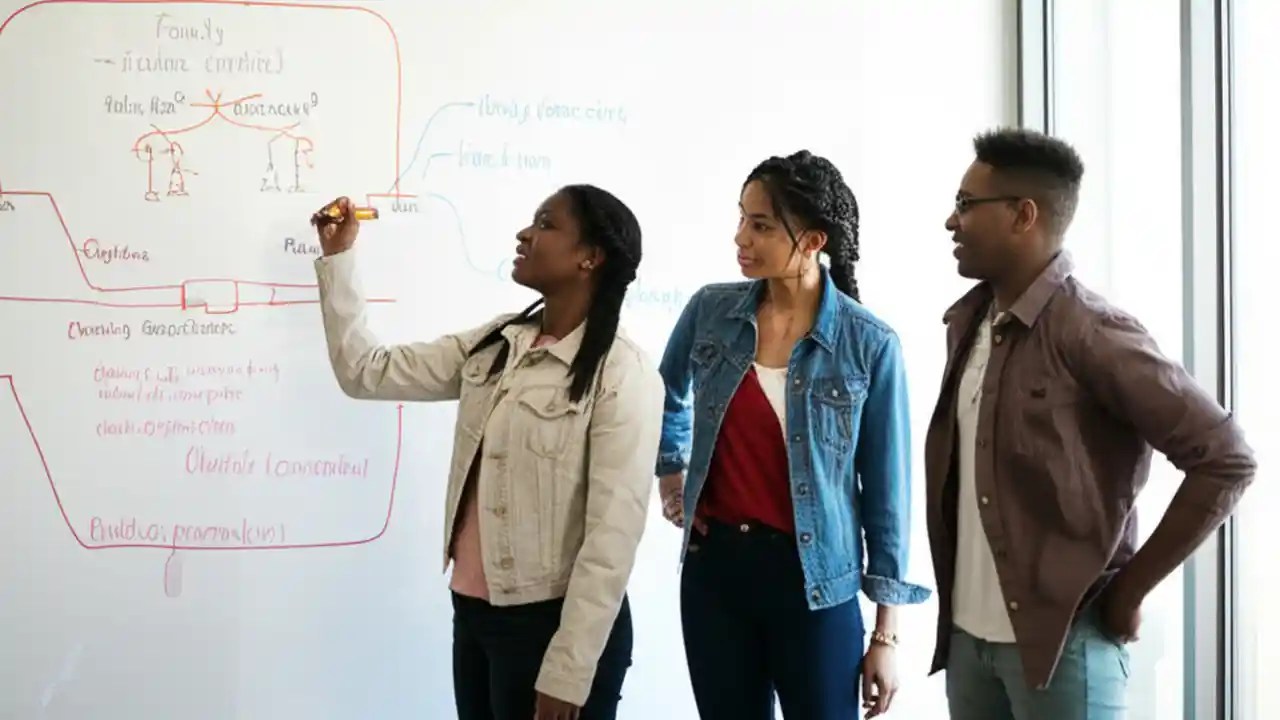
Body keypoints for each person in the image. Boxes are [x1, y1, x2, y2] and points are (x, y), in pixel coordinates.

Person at [926, 127, 1257, 719]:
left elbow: (1226, 458)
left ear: (1023, 215)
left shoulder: (1092, 330)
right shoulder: (969, 322)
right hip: (968, 647)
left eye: (966, 204)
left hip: (1066, 650)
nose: (952, 222)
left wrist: (1130, 590)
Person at [312, 189, 664, 720]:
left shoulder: (621, 372)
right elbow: (365, 372)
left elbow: (612, 535)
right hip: (474, 614)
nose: (525, 234)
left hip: (552, 626)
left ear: (589, 257)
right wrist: (339, 257)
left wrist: (569, 671)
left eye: (546, 224)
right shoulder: (498, 343)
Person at [655, 150, 932, 720]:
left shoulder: (869, 343)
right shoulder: (711, 311)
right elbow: (664, 395)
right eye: (741, 218)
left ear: (811, 241)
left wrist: (886, 635)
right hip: (716, 575)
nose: (741, 237)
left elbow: (888, 497)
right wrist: (670, 475)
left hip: (815, 583)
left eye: (760, 225)